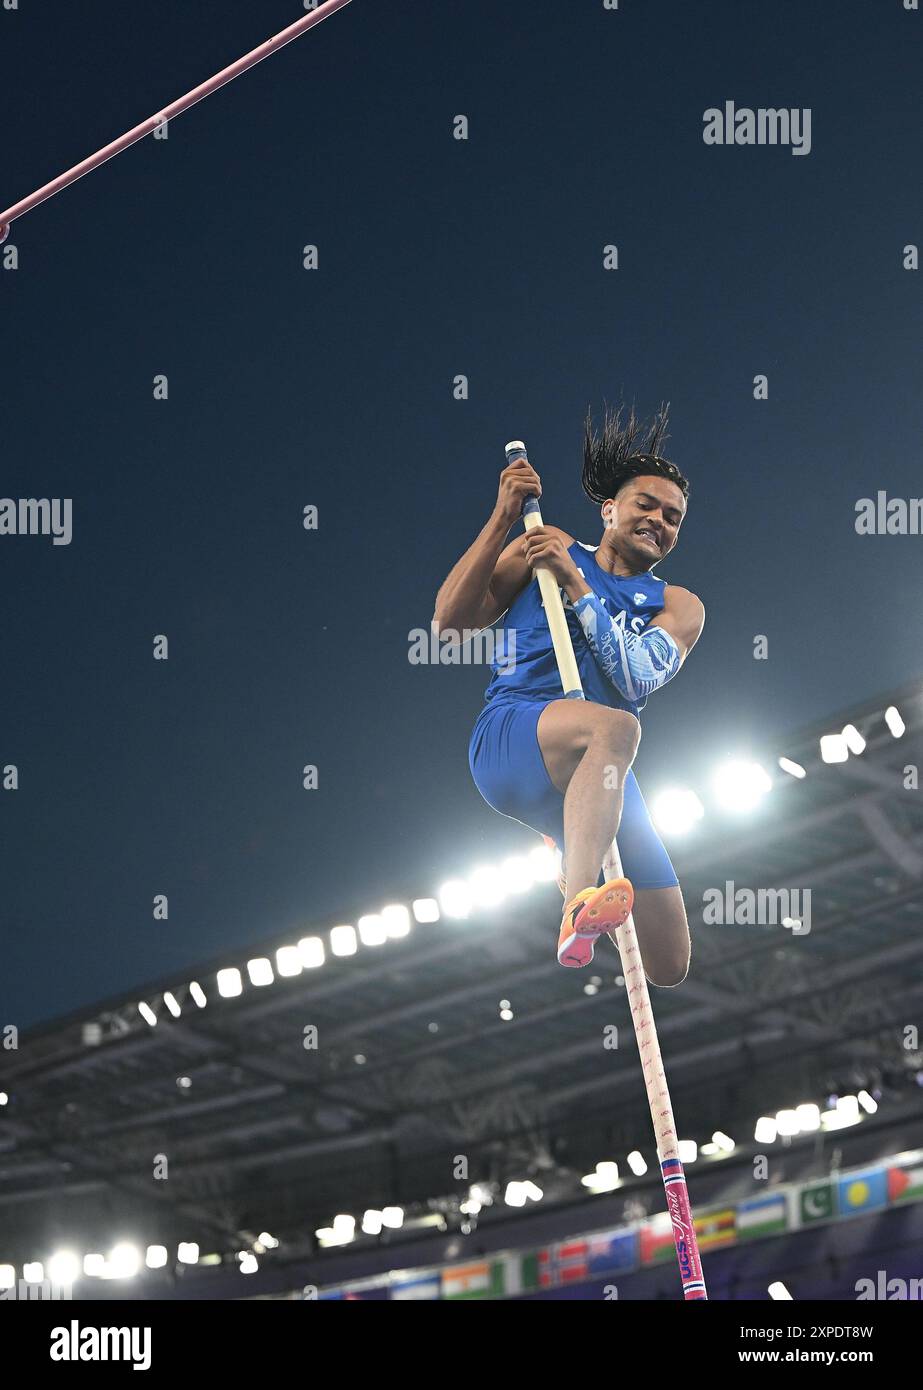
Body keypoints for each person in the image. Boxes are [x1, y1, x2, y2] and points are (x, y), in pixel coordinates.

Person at [433, 404, 704, 980]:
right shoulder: (544, 543)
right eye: (646, 504)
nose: (660, 519)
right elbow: (449, 626)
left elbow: (635, 676)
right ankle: (577, 900)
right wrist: (504, 516)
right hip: (515, 734)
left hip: (601, 769)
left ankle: (573, 850)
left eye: (674, 517)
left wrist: (576, 583)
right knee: (618, 727)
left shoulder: (677, 605)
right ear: (609, 510)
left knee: (669, 961)